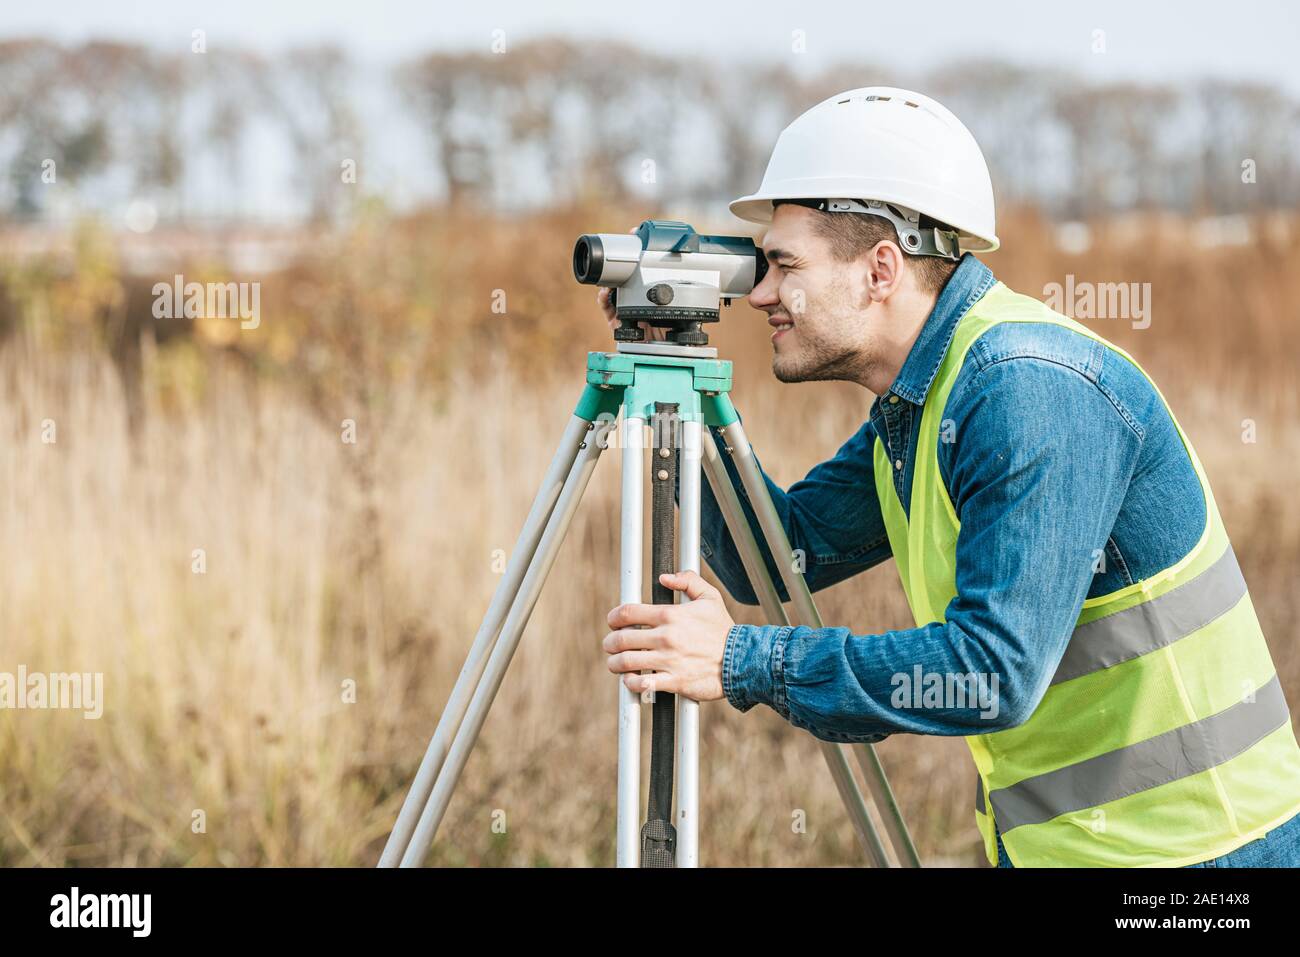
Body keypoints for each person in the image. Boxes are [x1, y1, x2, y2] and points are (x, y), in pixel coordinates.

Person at [597, 87, 1300, 867]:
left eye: (784, 264)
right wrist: (674, 378)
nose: (759, 293)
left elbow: (989, 673)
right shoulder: (923, 400)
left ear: (881, 269)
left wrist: (744, 660)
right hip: (1064, 851)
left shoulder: (1025, 390)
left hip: (1201, 856)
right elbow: (780, 555)